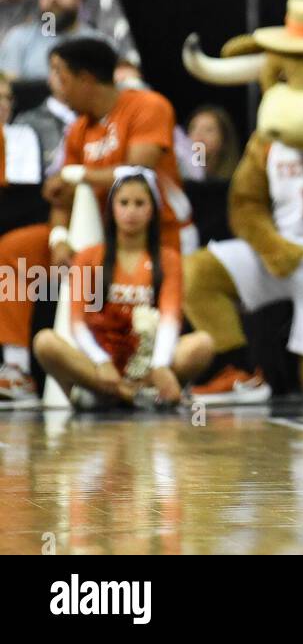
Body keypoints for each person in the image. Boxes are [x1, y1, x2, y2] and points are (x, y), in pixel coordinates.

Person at [0, 37, 194, 404]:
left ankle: (142, 379)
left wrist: (76, 174)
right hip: (92, 239)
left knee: (189, 344)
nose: (53, 84)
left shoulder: (147, 105)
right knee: (13, 251)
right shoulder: (77, 129)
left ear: (86, 78)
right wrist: (58, 236)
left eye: (60, 74)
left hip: (149, 238)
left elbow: (139, 171)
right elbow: (61, 195)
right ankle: (17, 370)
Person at [32, 169, 215, 411]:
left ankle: (122, 392)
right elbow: (77, 322)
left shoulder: (168, 258)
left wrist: (159, 364)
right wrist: (101, 361)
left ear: (152, 210)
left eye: (140, 203)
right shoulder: (89, 256)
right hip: (100, 362)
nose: (131, 211)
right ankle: (130, 395)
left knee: (202, 344)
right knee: (45, 342)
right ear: (112, 209)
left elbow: (170, 319)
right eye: (124, 203)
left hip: (147, 361)